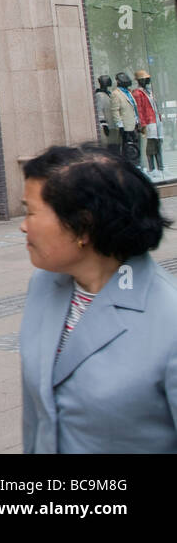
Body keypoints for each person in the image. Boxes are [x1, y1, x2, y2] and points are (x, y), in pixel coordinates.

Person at [19, 145, 177, 453]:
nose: (23, 225)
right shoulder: (45, 285)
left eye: (31, 212)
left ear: (83, 226)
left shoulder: (168, 320)